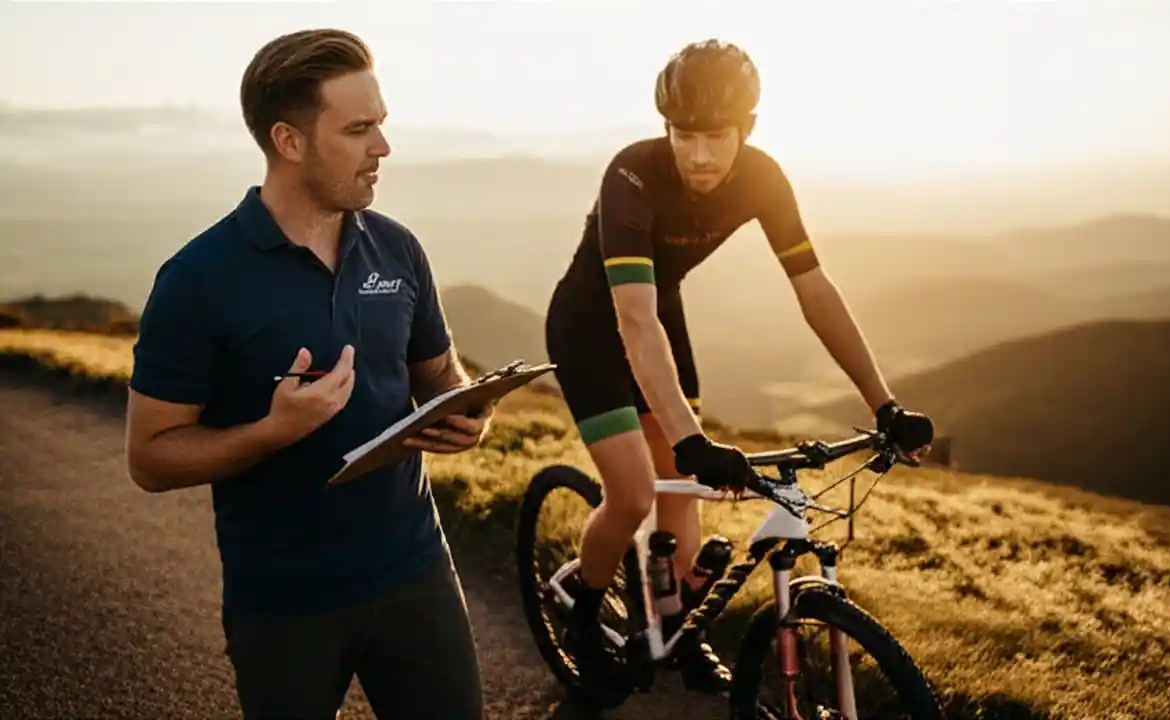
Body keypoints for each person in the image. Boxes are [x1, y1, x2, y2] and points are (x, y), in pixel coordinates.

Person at [544, 39, 935, 695]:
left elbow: (814, 290)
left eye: (716, 136)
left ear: (745, 130)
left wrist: (884, 404)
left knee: (681, 494)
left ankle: (678, 627)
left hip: (660, 316)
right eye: (684, 135)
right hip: (591, 324)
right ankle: (583, 610)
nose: (698, 154)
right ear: (666, 128)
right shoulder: (633, 174)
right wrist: (690, 438)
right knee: (635, 492)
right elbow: (632, 319)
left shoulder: (762, 177)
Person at [124, 29, 488, 720]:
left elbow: (439, 371)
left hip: (416, 571)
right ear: (289, 142)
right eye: (358, 130)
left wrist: (468, 408)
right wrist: (272, 431)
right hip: (283, 601)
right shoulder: (197, 280)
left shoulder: (397, 248)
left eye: (380, 123)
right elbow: (150, 457)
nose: (383, 146)